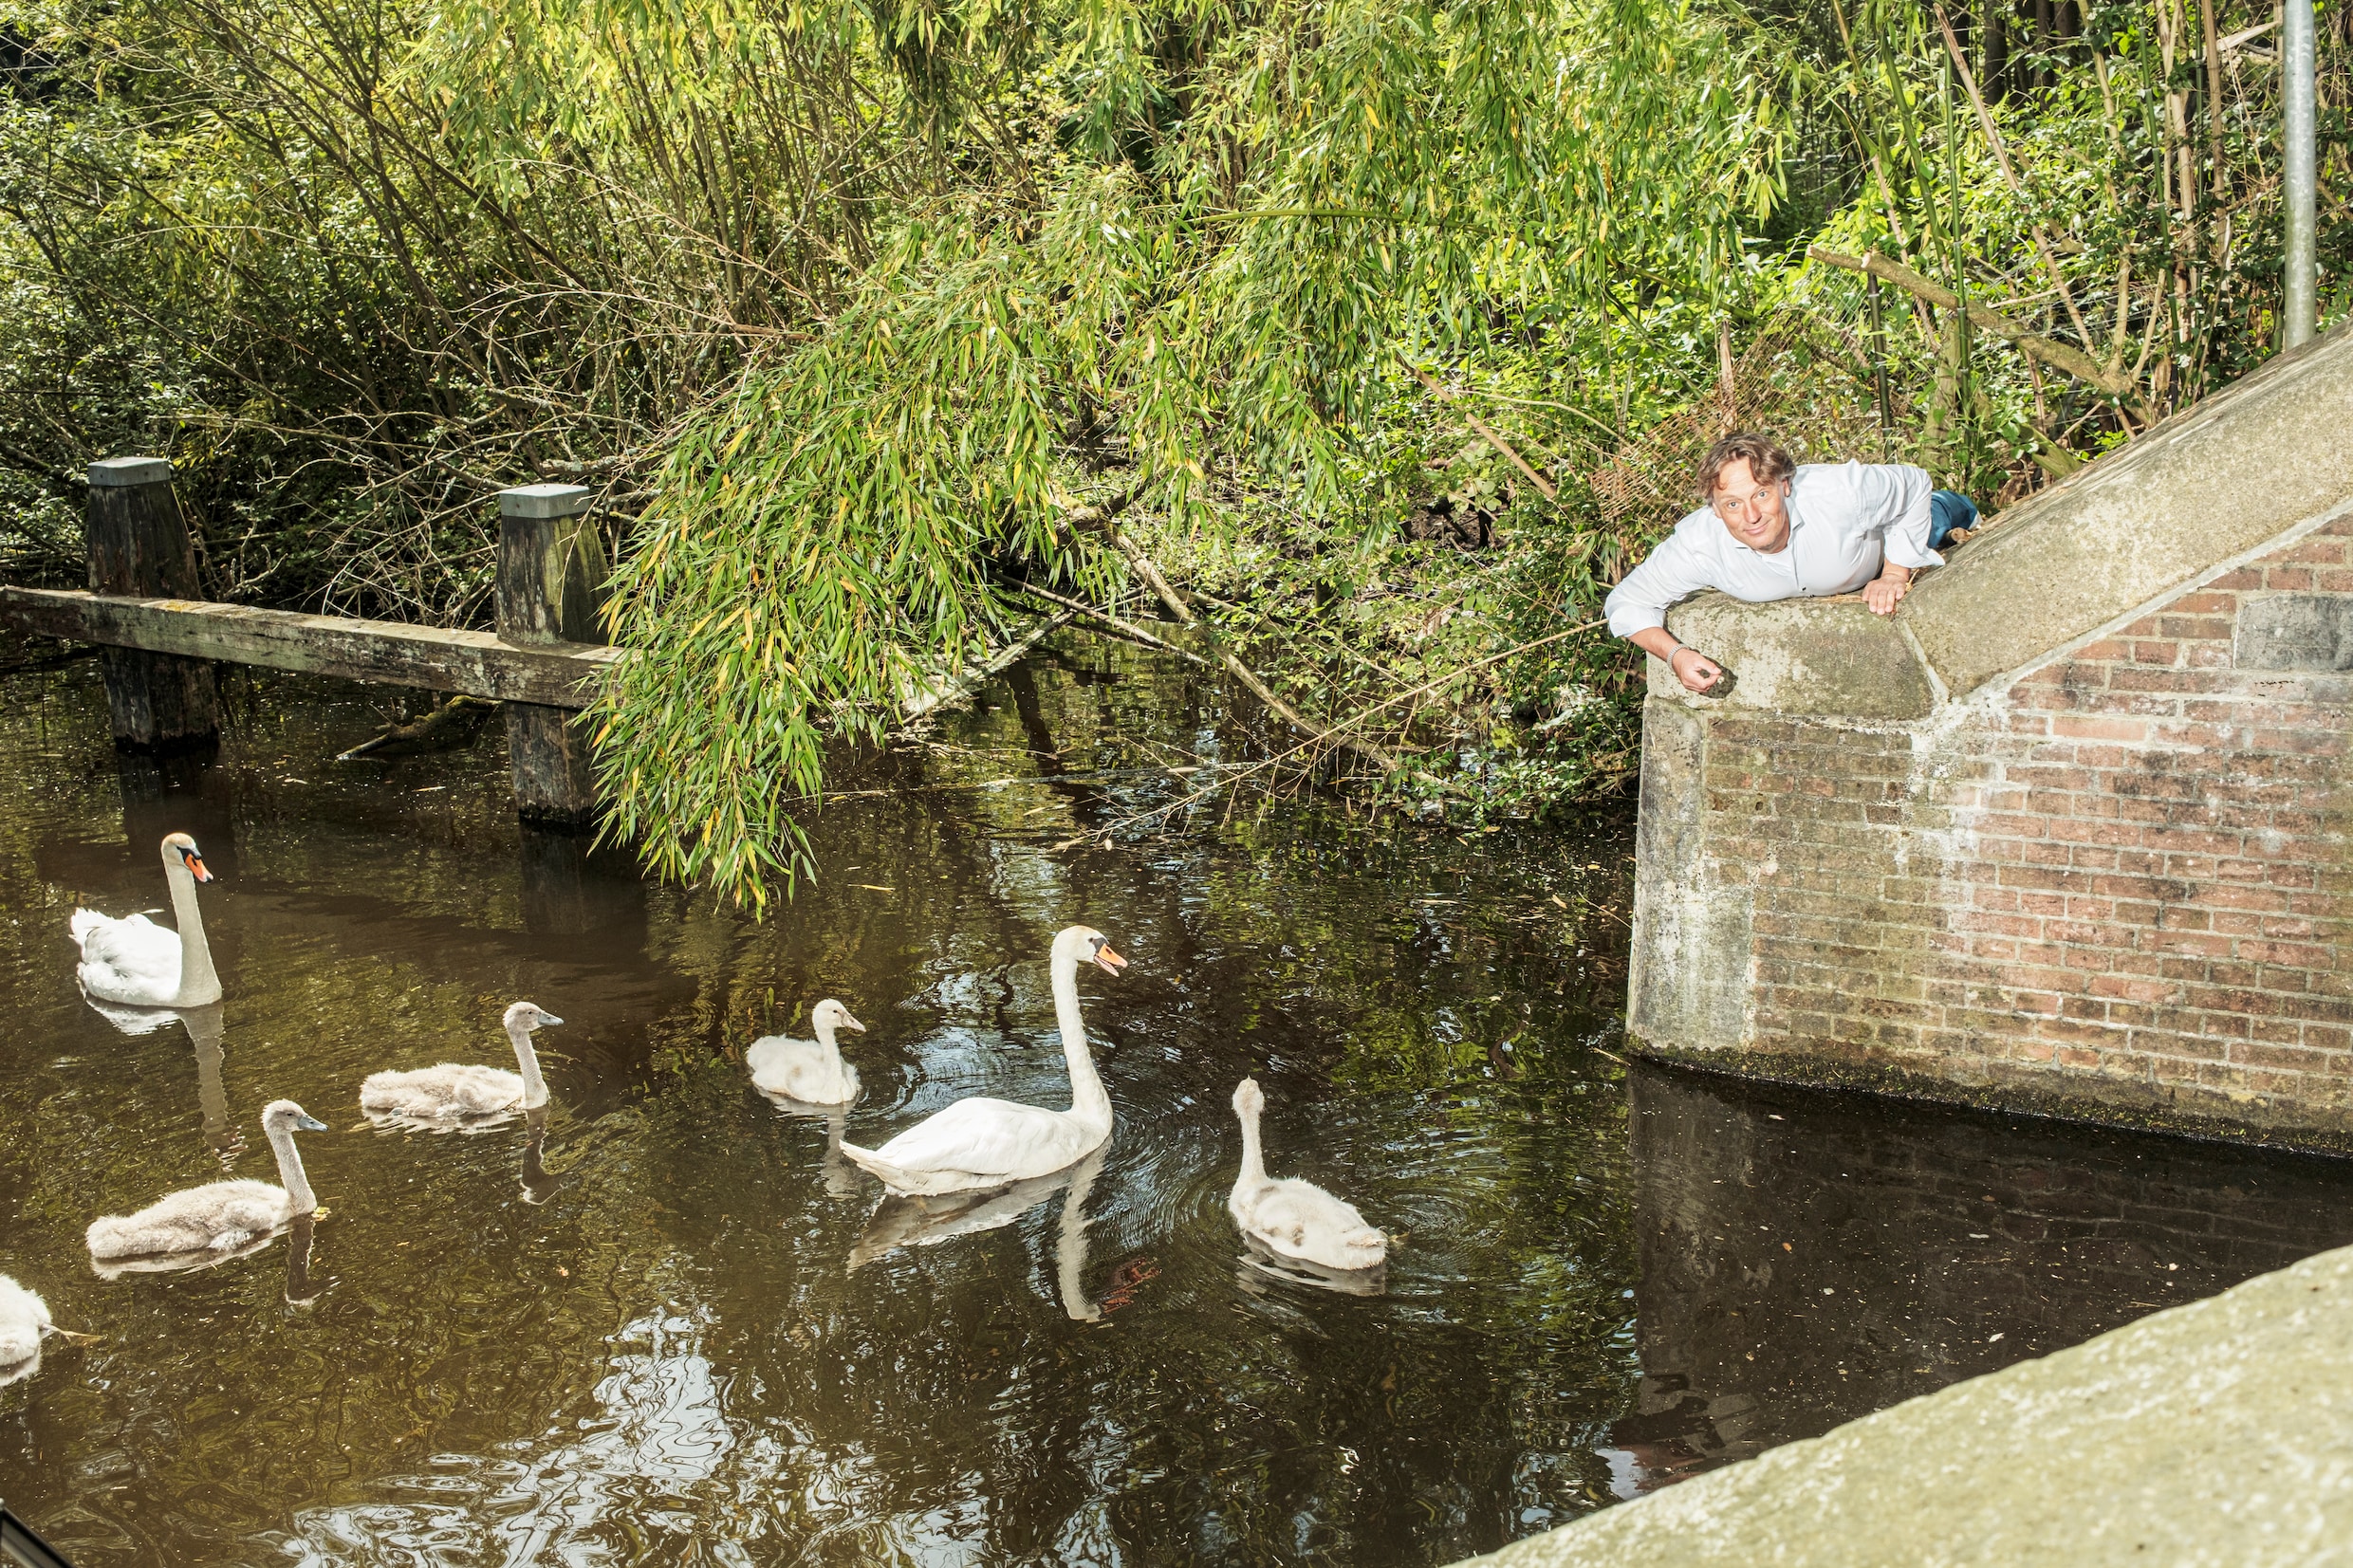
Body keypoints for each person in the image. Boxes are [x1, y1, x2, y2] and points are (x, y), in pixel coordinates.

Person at [1603, 432, 1979, 694]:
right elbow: (1626, 602)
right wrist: (1675, 654)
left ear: (1784, 486)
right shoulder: (1698, 543)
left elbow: (1914, 483)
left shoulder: (1838, 491)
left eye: (1761, 494)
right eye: (1733, 504)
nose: (1751, 515)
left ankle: (1961, 507)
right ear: (1715, 510)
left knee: (1938, 516)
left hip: (1882, 546)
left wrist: (1895, 572)